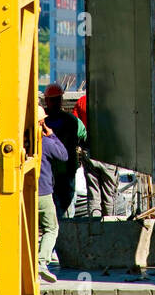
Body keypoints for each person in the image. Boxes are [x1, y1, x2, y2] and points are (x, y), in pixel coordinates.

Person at [72, 93, 120, 218]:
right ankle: (110, 226)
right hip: (109, 153)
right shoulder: (112, 103)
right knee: (109, 195)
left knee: (93, 194)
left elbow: (75, 127)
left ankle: (94, 227)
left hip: (90, 151)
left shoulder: (81, 102)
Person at [35, 103, 68, 283]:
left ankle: (27, 263)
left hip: (24, 194)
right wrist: (52, 134)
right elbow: (63, 155)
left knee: (29, 229)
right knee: (51, 228)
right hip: (43, 194)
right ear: (41, 122)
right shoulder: (45, 143)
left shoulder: (23, 142)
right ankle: (41, 262)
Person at [42, 83, 85, 218]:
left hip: (49, 175)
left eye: (56, 99)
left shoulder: (41, 122)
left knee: (51, 214)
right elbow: (85, 137)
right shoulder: (72, 121)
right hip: (62, 172)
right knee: (66, 212)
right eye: (54, 99)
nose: (55, 103)